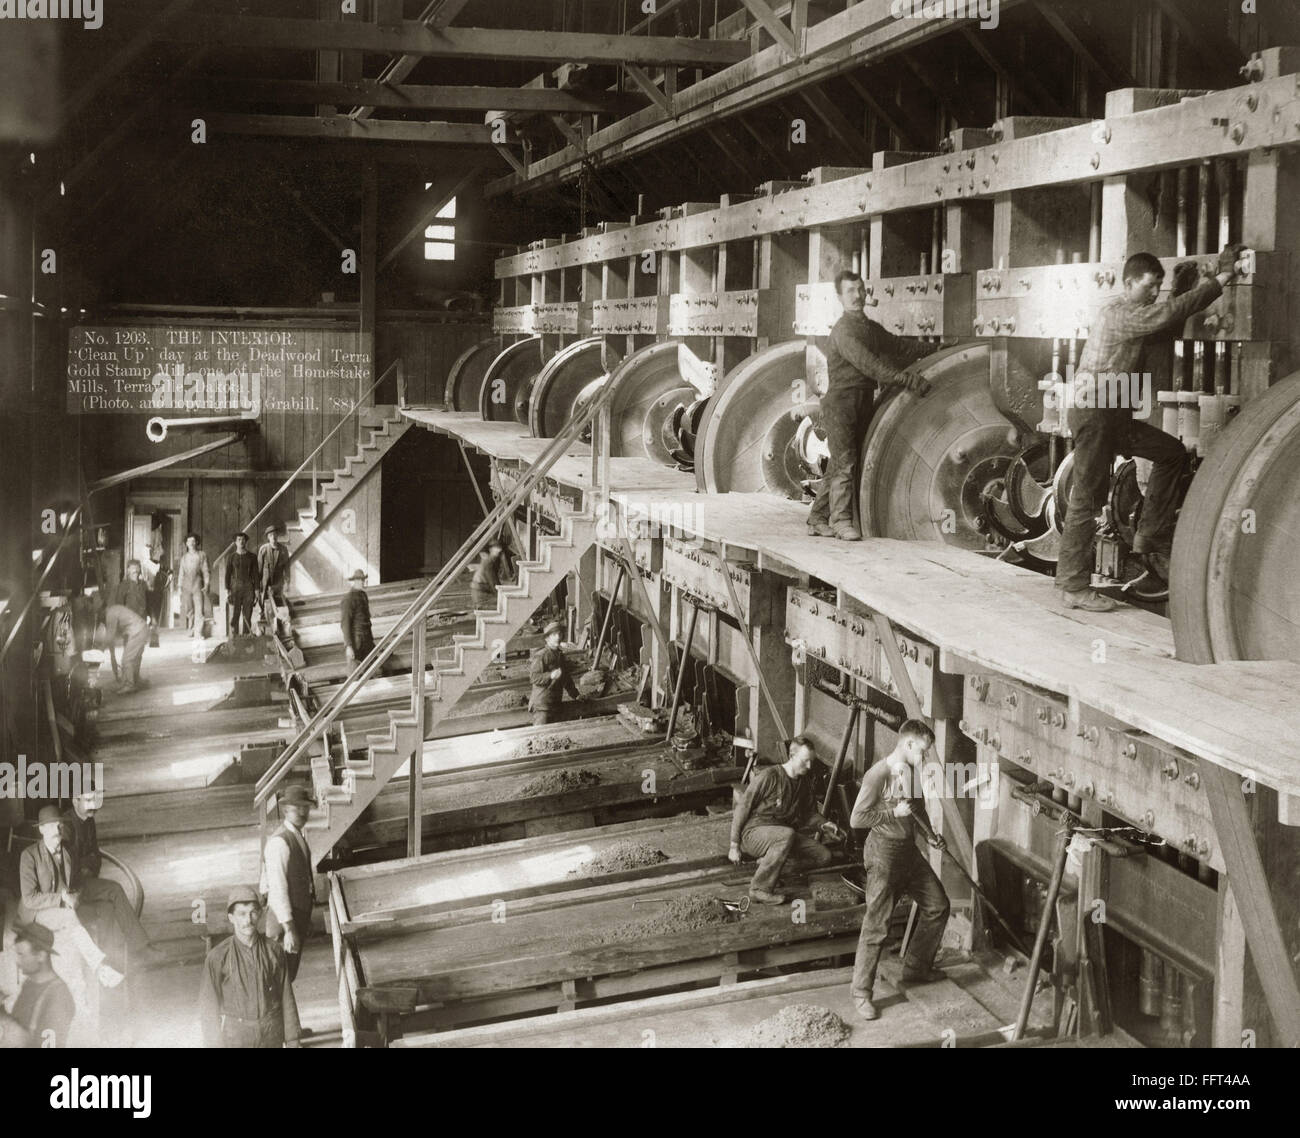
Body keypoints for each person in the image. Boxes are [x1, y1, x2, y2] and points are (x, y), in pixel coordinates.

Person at [1055, 246, 1244, 611]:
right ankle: (1071, 586)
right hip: (1095, 413)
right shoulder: (1119, 315)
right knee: (1087, 499)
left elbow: (1165, 319)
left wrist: (1183, 288)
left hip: (1113, 415)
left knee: (1170, 453)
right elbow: (1166, 315)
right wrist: (1219, 279)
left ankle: (1148, 537)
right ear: (1128, 283)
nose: (1154, 292)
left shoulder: (1136, 313)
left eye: (1159, 285)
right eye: (1148, 286)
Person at [806, 269, 932, 542]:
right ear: (840, 297)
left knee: (842, 462)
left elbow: (899, 346)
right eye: (850, 291)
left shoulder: (868, 328)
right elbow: (870, 365)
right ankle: (840, 522)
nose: (857, 295)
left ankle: (817, 518)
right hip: (841, 404)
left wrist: (939, 348)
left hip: (861, 399)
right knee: (846, 462)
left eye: (860, 289)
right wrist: (907, 379)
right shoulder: (843, 332)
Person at [847, 718, 950, 1020]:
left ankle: (917, 968)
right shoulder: (878, 774)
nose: (925, 757)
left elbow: (917, 810)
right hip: (883, 853)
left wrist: (932, 838)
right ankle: (861, 993)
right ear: (908, 744)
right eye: (923, 750)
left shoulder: (913, 773)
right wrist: (893, 812)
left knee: (938, 906)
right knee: (878, 923)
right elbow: (857, 819)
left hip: (909, 852)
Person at [17, 806, 125, 990]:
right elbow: (29, 898)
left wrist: (75, 898)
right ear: (41, 829)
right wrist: (61, 899)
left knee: (105, 909)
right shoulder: (29, 855)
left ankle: (117, 961)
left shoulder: (69, 851)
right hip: (37, 912)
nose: (56, 830)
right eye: (50, 826)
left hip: (65, 907)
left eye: (59, 826)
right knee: (69, 918)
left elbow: (77, 883)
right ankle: (100, 969)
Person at [727, 735, 838, 904]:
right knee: (786, 834)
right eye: (805, 761)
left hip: (782, 837)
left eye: (811, 762)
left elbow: (808, 814)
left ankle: (768, 867)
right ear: (792, 755)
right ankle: (759, 888)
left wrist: (825, 824)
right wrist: (734, 845)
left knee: (823, 856)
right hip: (754, 834)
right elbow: (743, 807)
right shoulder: (770, 776)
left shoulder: (804, 783)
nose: (809, 766)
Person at [64, 790, 165, 969]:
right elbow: (66, 864)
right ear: (75, 801)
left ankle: (112, 961)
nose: (92, 806)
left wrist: (88, 865)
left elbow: (95, 855)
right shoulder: (66, 825)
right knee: (115, 890)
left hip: (86, 879)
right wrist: (85, 866)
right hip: (72, 887)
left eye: (95, 800)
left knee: (108, 908)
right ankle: (140, 949)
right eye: (88, 800)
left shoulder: (89, 821)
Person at [197, 886, 301, 1048]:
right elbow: (209, 1007)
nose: (248, 920)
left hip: (271, 1034)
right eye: (242, 914)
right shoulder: (217, 957)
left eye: (253, 913)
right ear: (231, 918)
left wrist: (293, 1040)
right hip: (237, 1037)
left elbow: (286, 997)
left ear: (260, 913)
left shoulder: (274, 950)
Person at [258, 784, 316, 983]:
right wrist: (289, 930)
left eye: (305, 807)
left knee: (286, 978)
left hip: (296, 918)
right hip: (284, 924)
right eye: (296, 807)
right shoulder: (279, 842)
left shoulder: (297, 835)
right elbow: (277, 891)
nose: (302, 811)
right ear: (285, 810)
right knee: (278, 979)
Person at [7, 923, 76, 1048]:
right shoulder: (29, 984)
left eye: (21, 955)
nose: (17, 961)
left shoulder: (58, 996)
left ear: (41, 956)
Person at [528, 620, 578, 726]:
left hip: (555, 704)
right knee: (540, 736)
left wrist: (576, 695)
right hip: (542, 706)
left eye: (559, 634)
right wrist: (550, 675)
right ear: (547, 638)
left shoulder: (559, 655)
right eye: (554, 634)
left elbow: (566, 679)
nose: (558, 637)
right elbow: (534, 677)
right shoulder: (541, 655)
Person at [103, 589, 149, 694]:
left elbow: (110, 636)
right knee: (134, 659)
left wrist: (100, 648)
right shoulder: (115, 609)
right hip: (142, 629)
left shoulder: (110, 614)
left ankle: (130, 685)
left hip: (137, 631)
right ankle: (134, 681)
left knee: (126, 660)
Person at [178, 533, 210, 639]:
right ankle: (191, 629)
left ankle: (199, 632)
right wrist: (179, 588)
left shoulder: (201, 555)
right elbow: (181, 573)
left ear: (196, 542)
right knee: (189, 609)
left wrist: (206, 583)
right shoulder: (184, 558)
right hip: (186, 585)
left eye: (193, 541)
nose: (191, 543)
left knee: (199, 609)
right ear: (186, 544)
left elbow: (205, 570)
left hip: (197, 583)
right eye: (189, 541)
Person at [258, 525, 290, 632]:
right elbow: (259, 569)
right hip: (265, 583)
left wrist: (287, 582)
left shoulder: (283, 550)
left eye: (275, 535)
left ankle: (280, 628)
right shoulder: (263, 549)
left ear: (278, 536)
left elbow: (287, 567)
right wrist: (258, 586)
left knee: (279, 605)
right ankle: (264, 629)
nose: (273, 537)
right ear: (268, 537)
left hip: (278, 583)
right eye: (271, 535)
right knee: (264, 606)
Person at [225, 531, 258, 637]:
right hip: (235, 588)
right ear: (235, 542)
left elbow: (256, 575)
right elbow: (227, 574)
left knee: (247, 614)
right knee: (235, 613)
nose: (241, 542)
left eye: (243, 539)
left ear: (246, 541)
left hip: (249, 587)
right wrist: (227, 590)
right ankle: (234, 637)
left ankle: (245, 636)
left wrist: (257, 591)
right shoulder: (231, 557)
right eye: (239, 540)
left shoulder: (252, 557)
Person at [339, 569, 374, 664]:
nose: (362, 582)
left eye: (363, 580)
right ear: (354, 581)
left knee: (372, 669)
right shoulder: (348, 599)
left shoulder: (363, 595)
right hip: (356, 641)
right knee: (355, 672)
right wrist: (348, 646)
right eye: (359, 580)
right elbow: (345, 624)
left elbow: (367, 621)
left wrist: (371, 643)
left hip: (367, 640)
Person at [470, 538, 507, 611]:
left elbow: (495, 579)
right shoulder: (489, 562)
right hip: (481, 593)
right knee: (504, 606)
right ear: (490, 549)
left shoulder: (492, 560)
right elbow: (492, 581)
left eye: (500, 548)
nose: (499, 550)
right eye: (496, 548)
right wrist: (500, 595)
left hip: (481, 590)